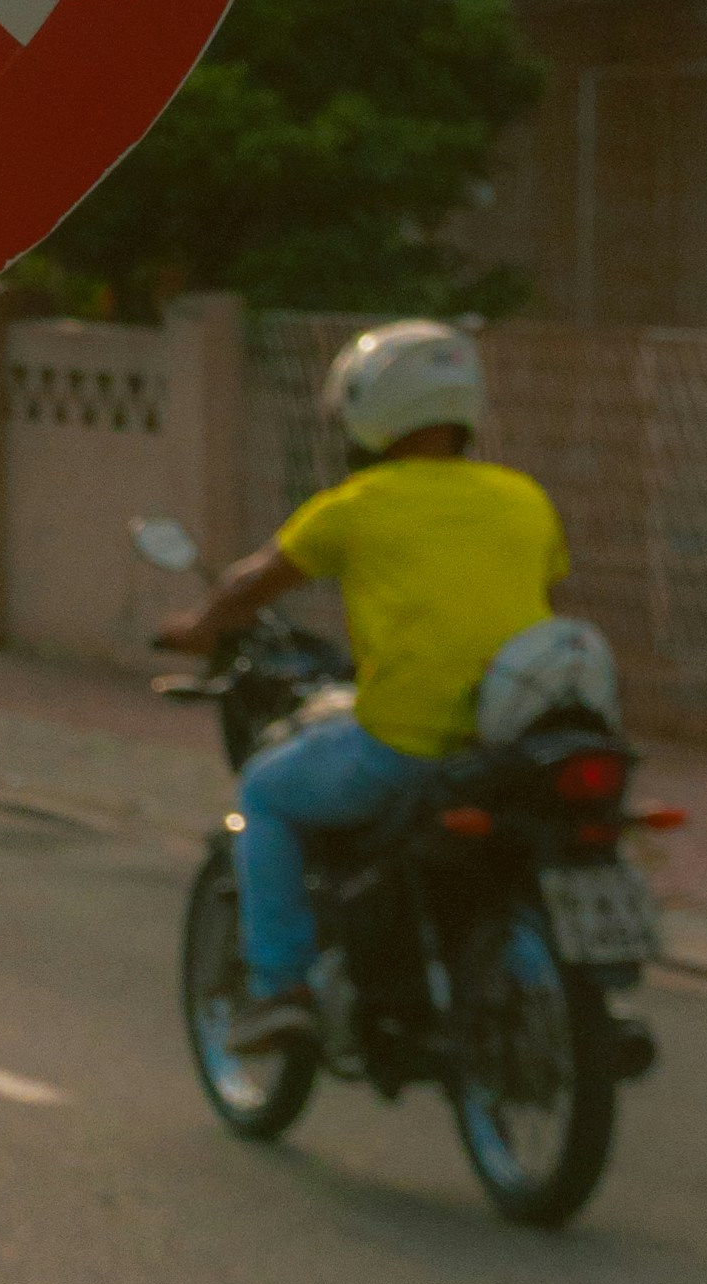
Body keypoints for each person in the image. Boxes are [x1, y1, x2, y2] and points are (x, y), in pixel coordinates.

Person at [153, 319, 568, 1058]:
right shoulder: (523, 497)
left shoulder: (357, 503)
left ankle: (280, 987)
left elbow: (253, 581)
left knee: (266, 793)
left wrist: (200, 626)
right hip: (512, 740)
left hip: (409, 742)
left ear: (370, 409)